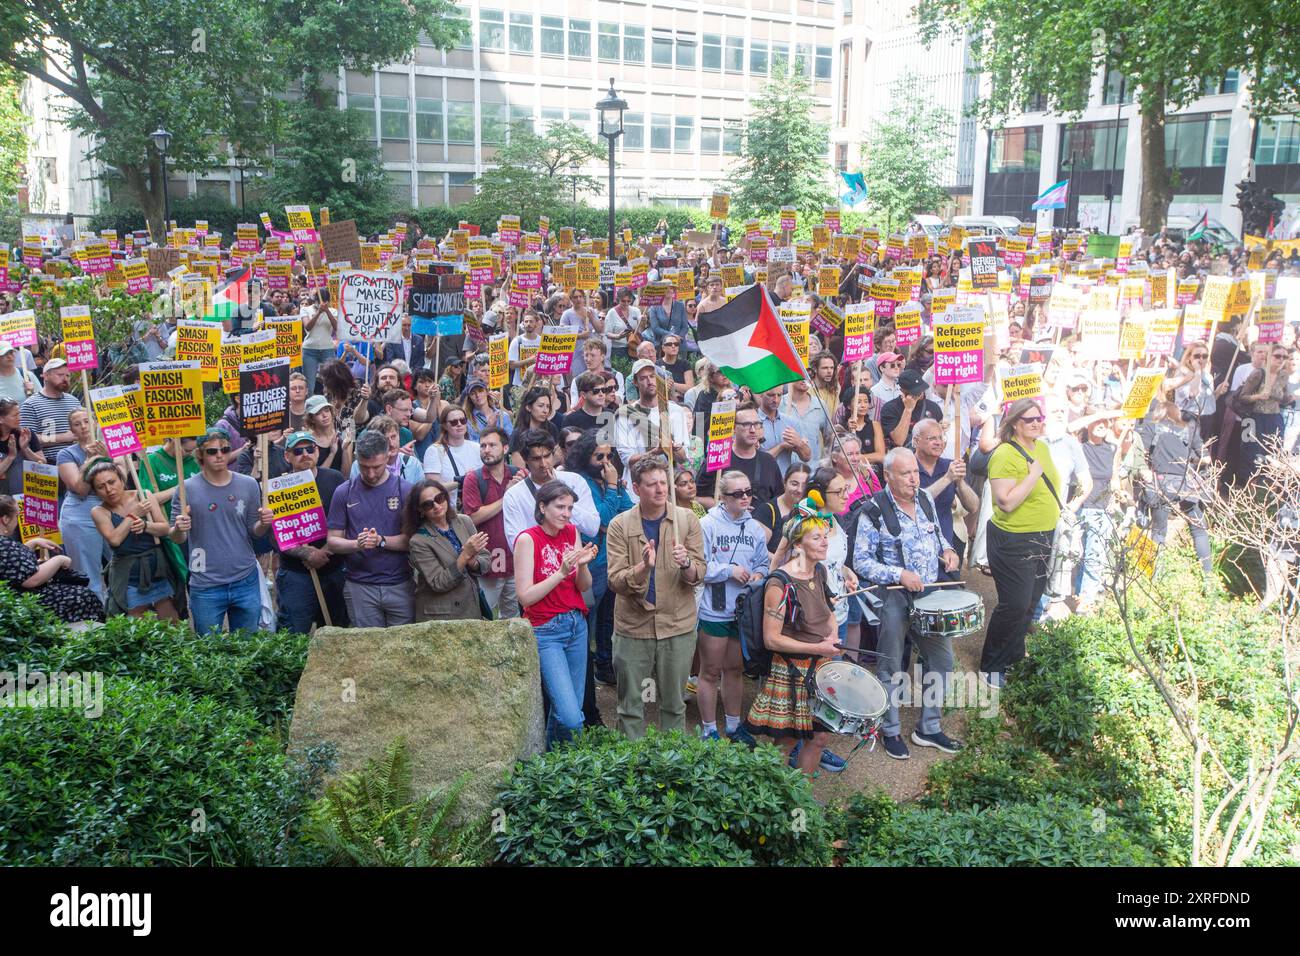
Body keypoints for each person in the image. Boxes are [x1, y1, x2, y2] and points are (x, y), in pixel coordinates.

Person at [853, 447, 963, 760]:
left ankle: (928, 728)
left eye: (915, 472)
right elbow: (861, 561)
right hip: (893, 596)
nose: (914, 479)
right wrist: (898, 573)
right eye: (906, 473)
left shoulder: (925, 499)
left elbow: (938, 536)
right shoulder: (872, 510)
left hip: (929, 594)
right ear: (888, 476)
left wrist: (948, 551)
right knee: (890, 666)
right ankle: (889, 731)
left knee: (941, 661)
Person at [606, 455, 705, 739]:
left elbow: (700, 573)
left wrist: (686, 563)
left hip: (677, 626)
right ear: (636, 488)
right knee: (629, 707)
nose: (660, 490)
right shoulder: (619, 525)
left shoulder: (686, 520)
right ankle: (631, 770)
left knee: (674, 705)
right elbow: (614, 580)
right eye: (651, 485)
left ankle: (671, 768)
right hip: (633, 628)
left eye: (663, 483)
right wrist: (642, 568)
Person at [743, 499, 842, 778]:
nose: (824, 543)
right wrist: (818, 646)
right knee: (785, 741)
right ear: (798, 545)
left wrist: (832, 634)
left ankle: (802, 799)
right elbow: (772, 639)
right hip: (792, 671)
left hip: (821, 666)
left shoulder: (819, 571)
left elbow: (828, 611)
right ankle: (775, 802)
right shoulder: (780, 583)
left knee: (819, 738)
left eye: (825, 537)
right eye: (816, 538)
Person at [980, 398, 1062, 689]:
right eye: (1031, 420)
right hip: (1013, 540)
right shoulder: (1003, 454)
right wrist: (1032, 476)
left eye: (1040, 418)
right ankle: (991, 664)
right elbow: (1006, 502)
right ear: (1015, 423)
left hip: (1043, 536)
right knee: (1014, 604)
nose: (1038, 423)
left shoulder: (1041, 447)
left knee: (1030, 603)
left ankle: (1013, 657)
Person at [514, 479, 599, 748]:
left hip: (576, 624)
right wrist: (560, 573)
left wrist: (582, 566)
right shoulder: (528, 539)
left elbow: (583, 586)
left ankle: (555, 767)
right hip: (545, 629)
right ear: (542, 506)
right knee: (572, 717)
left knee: (566, 712)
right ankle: (557, 766)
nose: (566, 513)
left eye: (570, 507)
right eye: (560, 507)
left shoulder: (571, 532)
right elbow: (525, 597)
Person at [169, 428, 275, 635]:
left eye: (225, 449)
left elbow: (255, 532)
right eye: (212, 451)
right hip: (205, 584)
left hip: (245, 578)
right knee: (209, 652)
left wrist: (264, 523)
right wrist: (180, 528)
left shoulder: (249, 484)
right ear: (200, 454)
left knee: (246, 648)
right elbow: (175, 536)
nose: (219, 455)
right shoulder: (185, 489)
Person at [697, 470, 769, 745]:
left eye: (748, 492)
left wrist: (759, 576)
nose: (745, 497)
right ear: (723, 497)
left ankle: (734, 724)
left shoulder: (754, 528)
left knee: (735, 669)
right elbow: (700, 565)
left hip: (743, 608)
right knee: (711, 670)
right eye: (737, 494)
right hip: (715, 606)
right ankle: (708, 728)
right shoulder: (708, 524)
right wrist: (729, 570)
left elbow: (763, 562)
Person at [327, 428, 415, 627]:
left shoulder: (405, 490)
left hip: (399, 583)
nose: (371, 473)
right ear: (357, 459)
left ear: (388, 456)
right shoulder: (344, 492)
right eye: (365, 467)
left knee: (402, 647)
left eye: (377, 466)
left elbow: (412, 539)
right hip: (359, 585)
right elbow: (332, 540)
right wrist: (356, 544)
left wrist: (380, 541)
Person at [567, 432, 632, 687]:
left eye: (609, 456)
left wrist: (614, 491)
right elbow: (600, 522)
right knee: (589, 620)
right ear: (586, 457)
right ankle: (582, 672)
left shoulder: (608, 481)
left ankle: (604, 666)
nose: (606, 462)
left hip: (613, 560)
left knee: (608, 618)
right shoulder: (581, 483)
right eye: (599, 456)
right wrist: (614, 488)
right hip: (591, 564)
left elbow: (627, 512)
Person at [88, 460, 183, 619]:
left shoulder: (143, 494)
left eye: (112, 482)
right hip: (128, 573)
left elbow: (165, 528)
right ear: (95, 492)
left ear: (121, 480)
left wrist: (145, 526)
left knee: (171, 619)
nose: (109, 489)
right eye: (101, 487)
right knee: (135, 622)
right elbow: (115, 540)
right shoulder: (98, 511)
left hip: (157, 567)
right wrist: (133, 515)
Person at [274, 431, 349, 633]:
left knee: (336, 632)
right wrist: (307, 553)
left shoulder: (335, 479)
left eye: (310, 448)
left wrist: (324, 552)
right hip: (296, 574)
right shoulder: (278, 487)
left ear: (317, 451)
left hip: (333, 570)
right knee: (292, 635)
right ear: (287, 456)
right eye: (298, 451)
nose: (305, 454)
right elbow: (277, 534)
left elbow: (348, 521)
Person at [1135, 395, 1215, 573]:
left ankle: (1156, 578)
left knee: (1159, 533)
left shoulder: (1151, 427)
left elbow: (1141, 453)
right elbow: (1207, 459)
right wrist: (1188, 460)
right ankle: (1208, 578)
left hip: (1161, 483)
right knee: (1199, 530)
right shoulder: (1189, 428)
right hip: (1185, 484)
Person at [0, 494, 103, 623]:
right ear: (5, 519)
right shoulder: (3, 544)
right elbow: (31, 579)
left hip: (15, 597)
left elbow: (12, 563)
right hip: (21, 603)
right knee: (81, 596)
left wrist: (33, 543)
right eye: (17, 516)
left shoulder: (4, 544)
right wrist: (58, 560)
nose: (17, 519)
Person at [500, 428, 601, 554]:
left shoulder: (575, 481)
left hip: (573, 562)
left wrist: (562, 494)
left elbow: (592, 528)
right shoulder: (514, 495)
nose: (543, 464)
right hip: (537, 566)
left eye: (547, 456)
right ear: (525, 459)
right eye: (536, 458)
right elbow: (516, 545)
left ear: (554, 453)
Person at [460, 426, 525, 619]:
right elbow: (473, 517)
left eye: (492, 445)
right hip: (488, 559)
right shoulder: (474, 478)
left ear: (505, 449)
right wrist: (508, 496)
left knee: (513, 617)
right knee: (484, 616)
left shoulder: (519, 475)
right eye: (482, 446)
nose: (486, 450)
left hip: (516, 558)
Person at [408, 478, 491, 621]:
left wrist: (473, 562)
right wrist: (465, 556)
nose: (436, 505)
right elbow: (438, 582)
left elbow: (485, 560)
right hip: (441, 616)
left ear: (445, 497)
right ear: (420, 510)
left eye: (439, 498)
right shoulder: (418, 541)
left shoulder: (464, 521)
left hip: (471, 607)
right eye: (428, 504)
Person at [55, 410, 111, 600]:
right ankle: (95, 621)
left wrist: (107, 458)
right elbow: (80, 488)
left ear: (95, 423)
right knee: (88, 573)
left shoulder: (110, 446)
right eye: (78, 424)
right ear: (72, 430)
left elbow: (121, 478)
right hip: (81, 513)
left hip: (111, 509)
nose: (84, 426)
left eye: (87, 421)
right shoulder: (66, 454)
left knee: (125, 564)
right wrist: (90, 461)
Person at [912, 418, 980, 561]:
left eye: (941, 437)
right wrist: (947, 478)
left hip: (947, 546)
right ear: (916, 441)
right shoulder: (906, 466)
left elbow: (973, 507)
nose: (938, 442)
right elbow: (916, 502)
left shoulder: (948, 465)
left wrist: (960, 482)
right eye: (932, 438)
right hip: (914, 545)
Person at [694, 403, 782, 508]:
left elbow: (779, 499)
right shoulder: (718, 458)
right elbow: (697, 497)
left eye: (757, 424)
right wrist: (729, 507)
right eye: (746, 425)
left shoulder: (768, 461)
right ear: (734, 428)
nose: (753, 430)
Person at [20, 358, 81, 462]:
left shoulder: (74, 401)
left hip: (77, 460)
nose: (65, 379)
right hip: (48, 464)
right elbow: (27, 439)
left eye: (67, 375)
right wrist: (63, 437)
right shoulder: (31, 404)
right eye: (60, 375)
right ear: (46, 376)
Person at [422, 404, 482, 507]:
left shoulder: (477, 447)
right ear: (445, 425)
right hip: (451, 510)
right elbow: (432, 489)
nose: (459, 424)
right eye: (454, 422)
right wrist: (461, 481)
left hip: (478, 506)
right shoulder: (435, 451)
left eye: (463, 420)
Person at [349, 414, 424, 485]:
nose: (391, 444)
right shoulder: (359, 466)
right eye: (385, 439)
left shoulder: (413, 464)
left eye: (393, 437)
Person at [881, 368, 944, 450]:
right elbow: (898, 441)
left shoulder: (933, 407)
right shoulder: (889, 408)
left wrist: (942, 428)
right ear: (902, 391)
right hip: (904, 458)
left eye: (921, 389)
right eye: (915, 391)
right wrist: (908, 410)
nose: (920, 393)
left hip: (928, 456)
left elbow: (940, 439)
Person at [754, 462, 810, 553]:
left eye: (804, 486)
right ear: (784, 482)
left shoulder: (811, 510)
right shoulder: (767, 511)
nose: (800, 490)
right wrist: (782, 564)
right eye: (794, 484)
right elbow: (757, 549)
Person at [756, 385, 812, 474]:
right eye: (770, 395)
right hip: (761, 482)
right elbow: (756, 461)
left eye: (779, 395)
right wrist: (781, 446)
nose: (776, 400)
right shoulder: (752, 423)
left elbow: (807, 457)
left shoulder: (790, 422)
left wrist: (799, 444)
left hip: (784, 482)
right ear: (760, 394)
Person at [0, 397, 43, 496]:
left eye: (19, 413)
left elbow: (42, 463)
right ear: (1, 419)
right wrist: (11, 456)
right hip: (3, 499)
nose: (20, 418)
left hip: (27, 496)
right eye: (15, 415)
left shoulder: (26, 434)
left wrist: (25, 449)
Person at [508, 386, 561, 465]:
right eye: (540, 406)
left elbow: (559, 455)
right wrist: (552, 462)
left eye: (548, 406)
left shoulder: (552, 428)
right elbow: (519, 469)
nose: (545, 410)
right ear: (528, 407)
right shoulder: (517, 434)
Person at [301, 288, 339, 394]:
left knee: (330, 382)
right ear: (315, 300)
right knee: (309, 384)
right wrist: (318, 313)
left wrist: (327, 311)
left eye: (326, 301)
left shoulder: (333, 311)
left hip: (327, 349)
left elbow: (336, 328)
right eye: (320, 301)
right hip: (309, 350)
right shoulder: (305, 310)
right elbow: (308, 327)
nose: (323, 303)